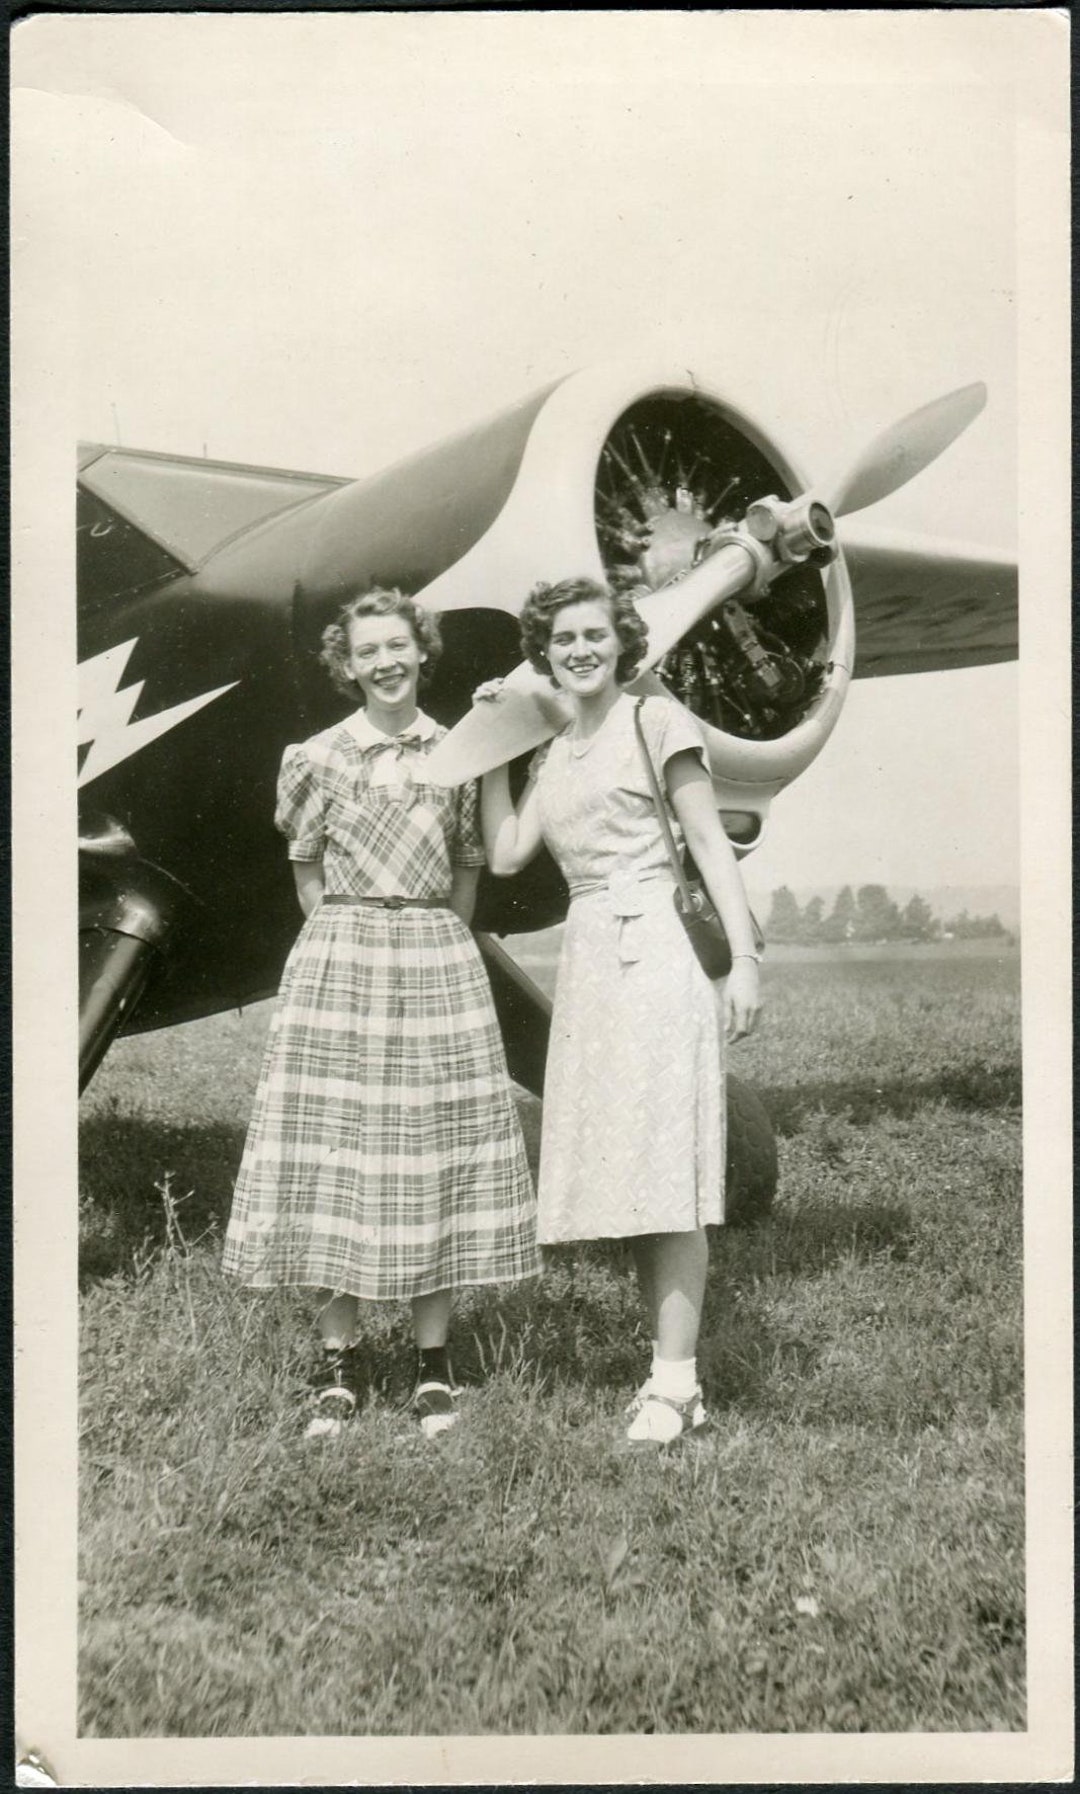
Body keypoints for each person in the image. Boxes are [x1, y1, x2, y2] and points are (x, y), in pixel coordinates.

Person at [223, 588, 539, 1440]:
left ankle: (433, 1365)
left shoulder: (458, 753)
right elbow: (308, 876)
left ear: (420, 652)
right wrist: (356, 938)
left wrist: (430, 941)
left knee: (435, 1150)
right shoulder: (317, 756)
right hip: (343, 957)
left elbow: (468, 870)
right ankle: (340, 1364)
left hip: (438, 954)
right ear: (348, 665)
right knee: (339, 1152)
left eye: (399, 646)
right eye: (369, 652)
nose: (386, 662)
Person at [478, 577, 761, 1445]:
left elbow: (709, 842)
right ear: (544, 651)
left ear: (622, 641)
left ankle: (675, 1387)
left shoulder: (655, 722)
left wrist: (745, 958)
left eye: (595, 635)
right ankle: (670, 1376)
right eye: (563, 639)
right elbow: (507, 849)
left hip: (663, 950)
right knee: (631, 1171)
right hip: (594, 955)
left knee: (665, 1168)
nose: (580, 650)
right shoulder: (555, 750)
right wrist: (490, 746)